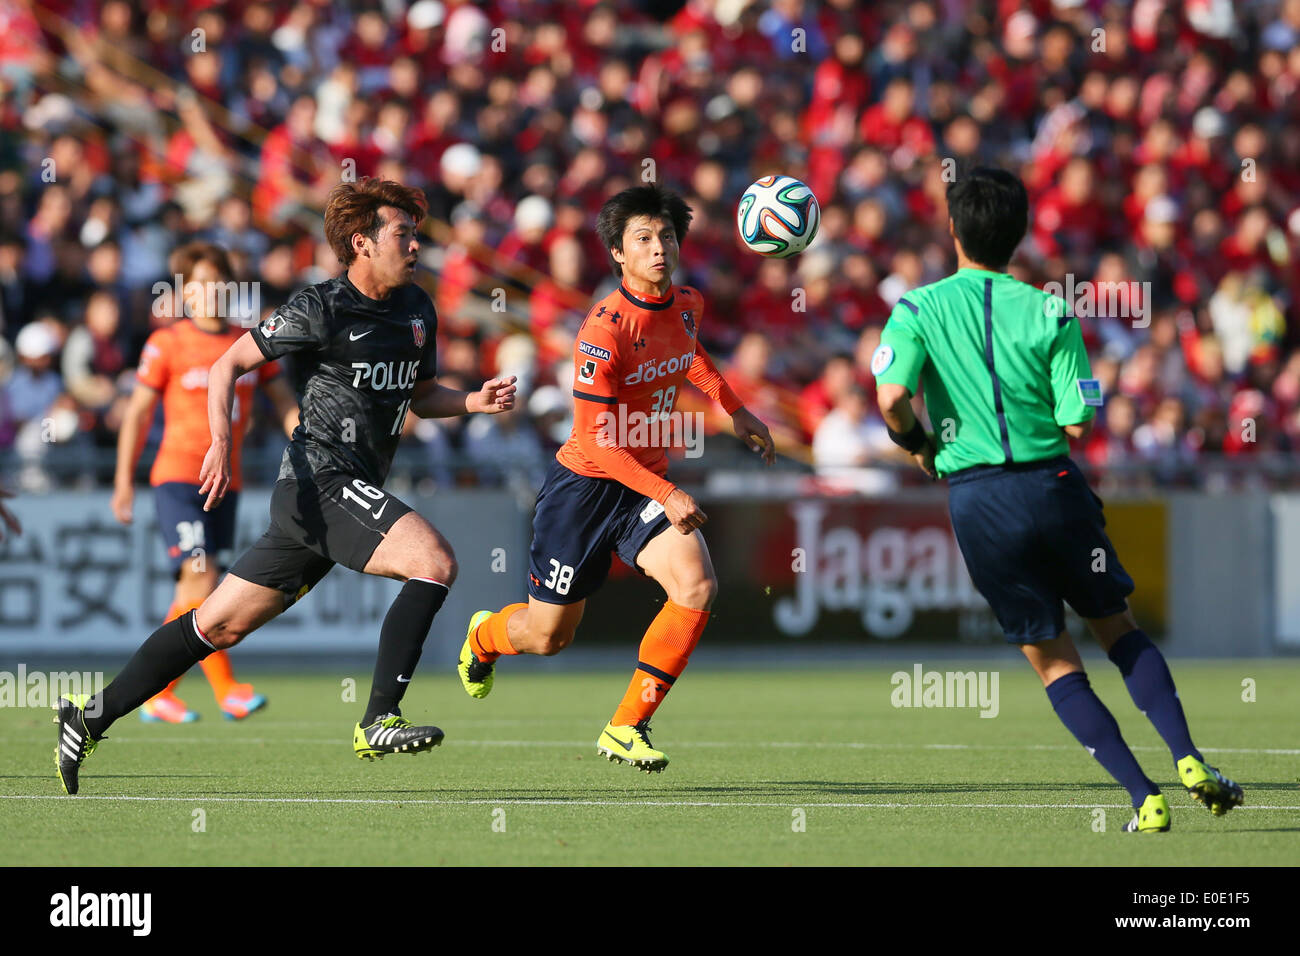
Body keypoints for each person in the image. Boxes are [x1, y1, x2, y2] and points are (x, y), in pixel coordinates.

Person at [54, 178, 517, 794]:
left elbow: (423, 396)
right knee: (433, 563)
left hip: (334, 496)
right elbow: (228, 365)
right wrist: (221, 441)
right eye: (403, 234)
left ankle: (86, 717)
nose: (415, 247)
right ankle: (379, 718)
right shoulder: (321, 306)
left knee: (216, 626)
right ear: (362, 243)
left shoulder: (416, 310)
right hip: (318, 480)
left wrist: (473, 402)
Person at [871, 167, 1243, 833]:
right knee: (1118, 627)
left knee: (1051, 659)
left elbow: (891, 398)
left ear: (952, 229)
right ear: (1018, 237)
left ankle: (1143, 798)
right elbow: (1080, 424)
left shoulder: (916, 309)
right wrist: (1069, 397)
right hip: (1056, 488)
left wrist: (918, 445)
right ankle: (1189, 758)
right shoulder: (1052, 310)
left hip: (980, 501)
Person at [457, 184, 774, 773]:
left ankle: (627, 725)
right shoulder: (601, 331)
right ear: (619, 255)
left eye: (667, 236)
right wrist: (669, 492)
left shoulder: (687, 304)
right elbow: (599, 443)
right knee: (548, 636)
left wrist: (733, 409)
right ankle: (483, 638)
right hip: (584, 489)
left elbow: (691, 354)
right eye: (644, 239)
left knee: (696, 584)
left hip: (644, 484)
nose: (659, 248)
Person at [112, 242, 298, 722]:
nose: (209, 291)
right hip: (177, 478)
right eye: (198, 283)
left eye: (217, 282)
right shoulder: (167, 344)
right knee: (202, 577)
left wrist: (310, 436)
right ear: (183, 292)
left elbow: (282, 403)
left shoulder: (249, 343)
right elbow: (136, 414)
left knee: (193, 592)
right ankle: (227, 687)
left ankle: (156, 692)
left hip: (225, 484)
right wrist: (123, 482)